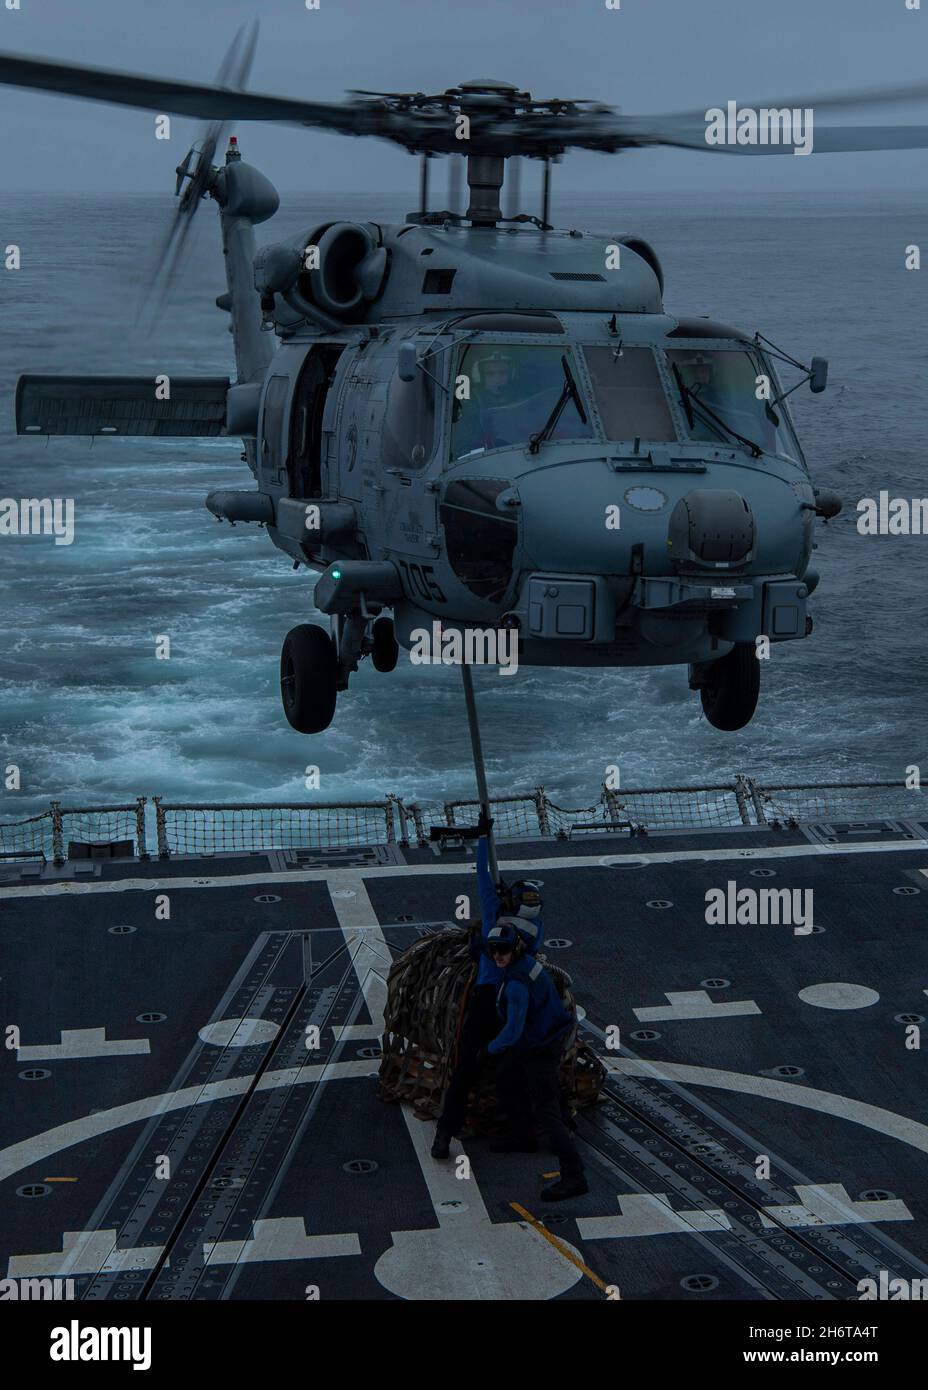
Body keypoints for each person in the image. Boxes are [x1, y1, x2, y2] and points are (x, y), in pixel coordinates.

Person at [431, 826, 544, 1160]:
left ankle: (444, 1135)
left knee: (464, 1069)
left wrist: (482, 838)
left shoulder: (493, 912)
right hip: (516, 999)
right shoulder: (535, 930)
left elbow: (482, 872)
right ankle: (523, 1132)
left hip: (484, 999)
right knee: (514, 1069)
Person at [482, 924, 589, 1202]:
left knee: (546, 1110)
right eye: (493, 950)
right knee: (507, 1077)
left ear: (514, 949)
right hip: (542, 1038)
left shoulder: (516, 985)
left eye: (503, 950)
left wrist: (489, 1049)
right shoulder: (528, 964)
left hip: (538, 1047)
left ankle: (574, 1175)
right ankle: (523, 1136)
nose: (497, 955)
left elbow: (513, 1031)